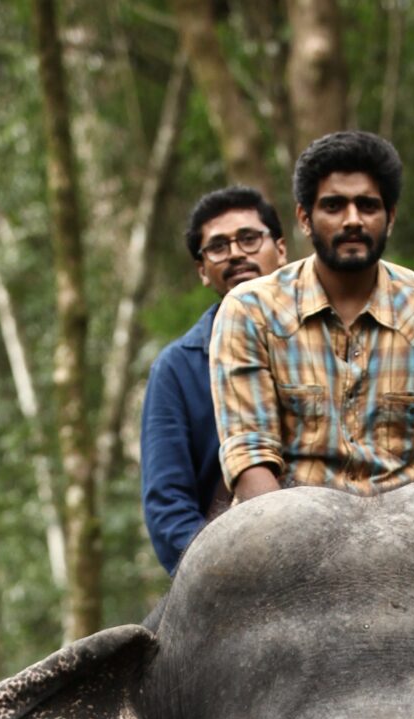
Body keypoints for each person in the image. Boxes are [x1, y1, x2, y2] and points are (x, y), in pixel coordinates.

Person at [209, 130, 414, 504]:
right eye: (334, 206)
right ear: (304, 218)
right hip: (287, 525)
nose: (353, 220)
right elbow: (250, 458)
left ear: (389, 217)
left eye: (368, 205)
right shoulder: (250, 311)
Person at [140, 185, 286, 573]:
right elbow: (167, 506)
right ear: (203, 270)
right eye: (218, 247)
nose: (236, 252)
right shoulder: (176, 368)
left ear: (282, 250)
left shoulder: (327, 340)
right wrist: (222, 571)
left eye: (249, 239)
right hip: (235, 567)